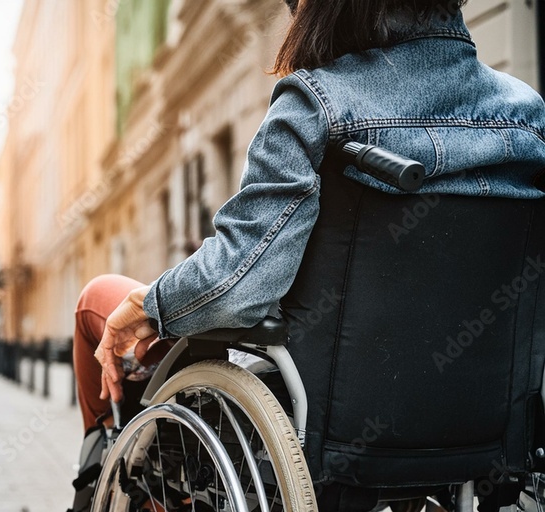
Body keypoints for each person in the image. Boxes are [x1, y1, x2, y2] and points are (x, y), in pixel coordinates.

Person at [76, 0, 545, 433]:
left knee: (96, 299)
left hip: (328, 413)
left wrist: (150, 304)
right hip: (485, 417)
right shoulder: (527, 113)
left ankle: (115, 500)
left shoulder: (315, 105)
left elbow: (235, 285)